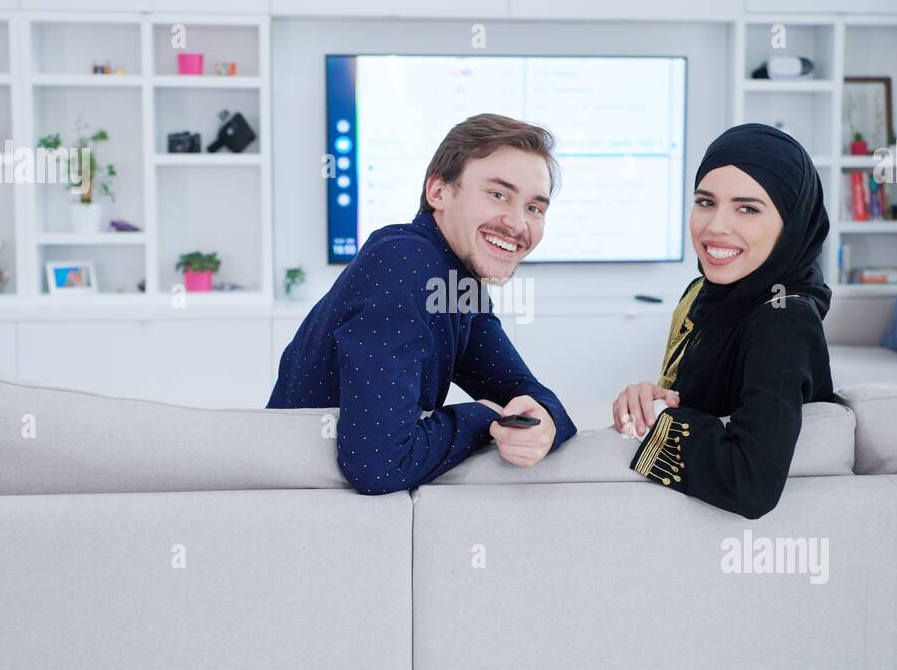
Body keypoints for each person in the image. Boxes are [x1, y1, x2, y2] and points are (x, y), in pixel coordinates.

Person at [269, 113, 577, 494]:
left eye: (535, 208)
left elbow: (524, 391)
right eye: (498, 194)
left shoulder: (455, 281)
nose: (518, 223)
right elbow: (377, 465)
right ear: (438, 192)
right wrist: (483, 415)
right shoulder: (405, 263)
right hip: (306, 509)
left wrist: (545, 423)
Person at [612, 122, 833, 519]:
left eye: (747, 208)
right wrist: (652, 400)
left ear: (791, 221)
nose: (716, 226)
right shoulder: (703, 292)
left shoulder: (783, 321)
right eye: (705, 202)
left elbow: (752, 483)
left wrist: (658, 423)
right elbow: (690, 402)